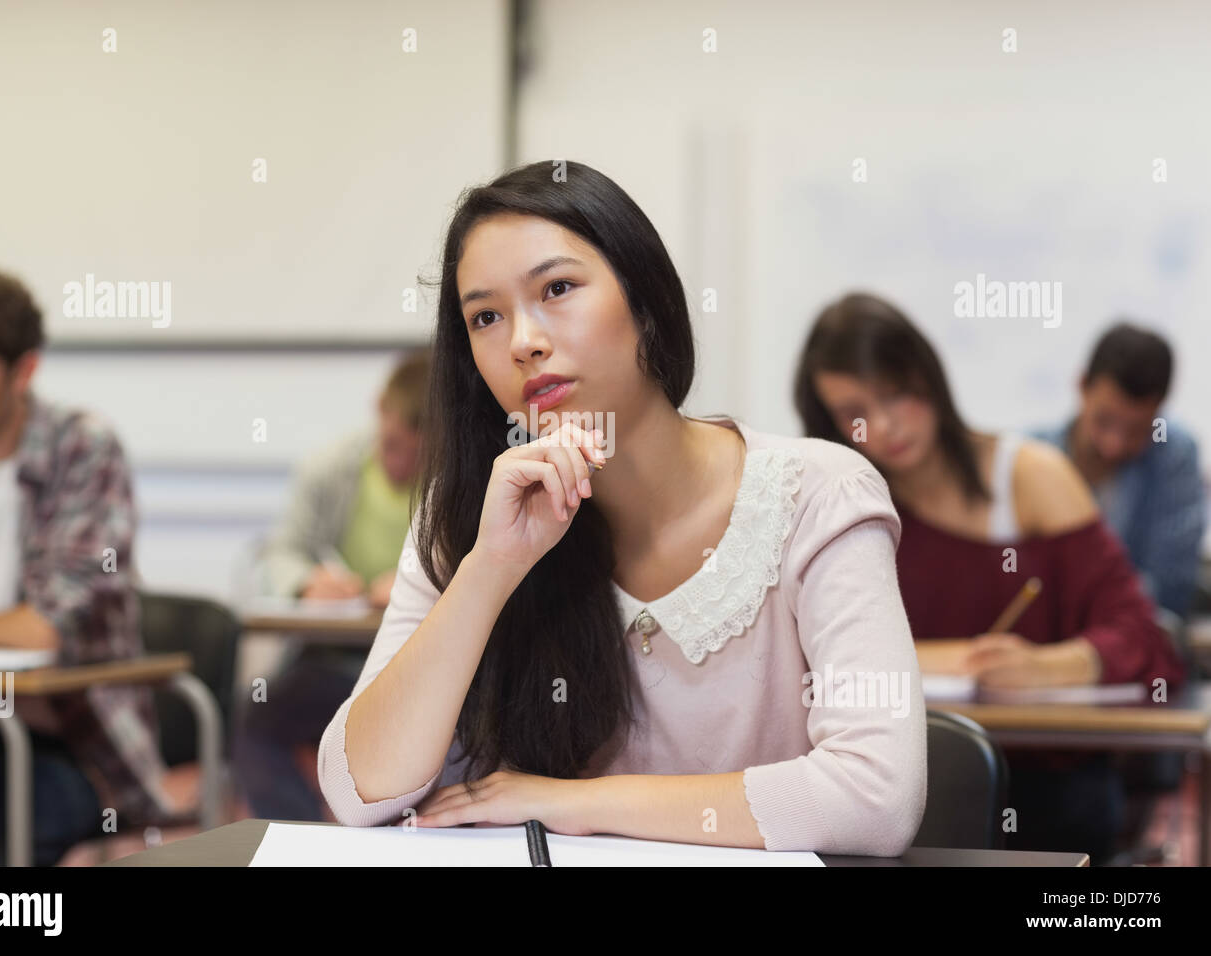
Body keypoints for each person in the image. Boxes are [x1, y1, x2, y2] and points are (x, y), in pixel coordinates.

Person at [316, 161, 926, 855]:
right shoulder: (472, 515)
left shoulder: (820, 492)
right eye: (485, 316)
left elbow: (878, 796)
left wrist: (570, 805)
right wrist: (492, 567)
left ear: (645, 302)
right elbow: (354, 791)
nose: (522, 341)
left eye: (558, 289)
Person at [794, 291, 1187, 862]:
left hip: (1048, 787)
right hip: (887, 791)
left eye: (896, 394)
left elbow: (1144, 636)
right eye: (853, 411)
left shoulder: (1029, 476)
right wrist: (952, 656)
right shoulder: (835, 500)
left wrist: (1053, 664)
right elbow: (796, 655)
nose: (881, 425)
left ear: (928, 378)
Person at [0, 268, 173, 866]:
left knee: (4, 858)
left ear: (24, 371)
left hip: (71, 746)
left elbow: (41, 631)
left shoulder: (84, 450)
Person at [234, 350, 428, 820]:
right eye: (392, 447)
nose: (400, 465)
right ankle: (300, 839)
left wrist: (415, 585)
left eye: (417, 454)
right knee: (257, 723)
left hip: (417, 668)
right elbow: (278, 553)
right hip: (335, 660)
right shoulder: (331, 468)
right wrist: (306, 583)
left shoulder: (461, 484)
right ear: (381, 410)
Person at [1033, 322, 1206, 621]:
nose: (1114, 445)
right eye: (1104, 421)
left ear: (1159, 409)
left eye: (1136, 430)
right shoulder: (1033, 455)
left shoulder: (1175, 455)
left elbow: (1169, 588)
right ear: (1082, 385)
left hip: (1128, 637)